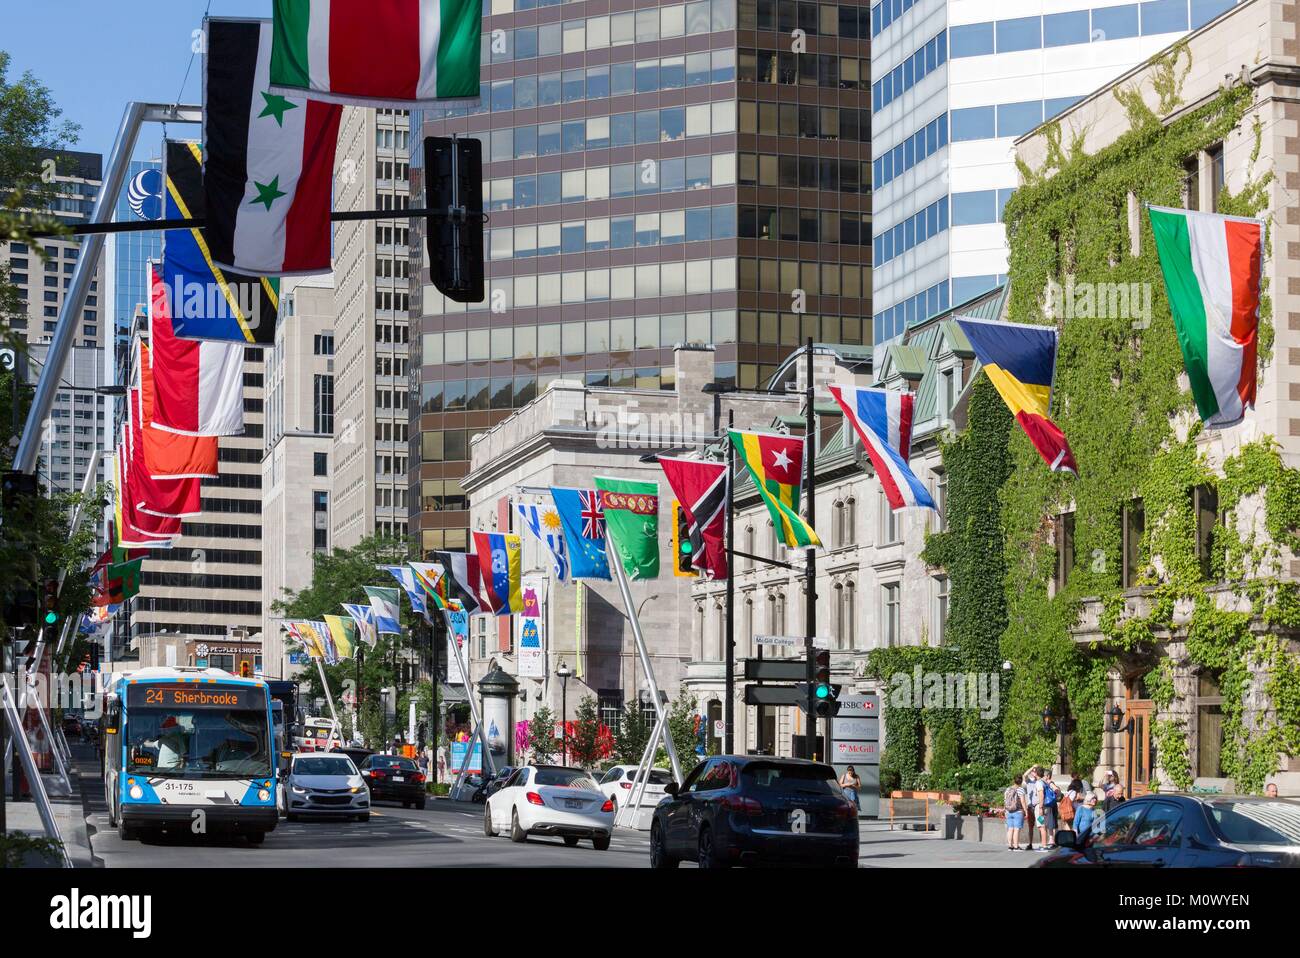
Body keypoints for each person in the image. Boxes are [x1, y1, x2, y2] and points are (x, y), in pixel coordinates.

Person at [1004, 774, 1027, 850]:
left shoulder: (1008, 789)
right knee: (1016, 829)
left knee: (1010, 829)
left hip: (1008, 811)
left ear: (1014, 780)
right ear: (1021, 781)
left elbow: (1005, 800)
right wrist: (1026, 811)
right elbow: (1023, 802)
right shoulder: (1021, 789)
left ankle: (1010, 846)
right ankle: (1016, 846)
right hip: (1018, 811)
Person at [1039, 768, 1060, 848]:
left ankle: (1051, 840)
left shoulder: (1049, 782)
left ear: (1047, 776)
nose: (1043, 777)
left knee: (1047, 823)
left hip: (1048, 805)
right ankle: (1053, 840)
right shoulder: (1045, 782)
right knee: (1052, 822)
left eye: (1044, 775)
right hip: (1052, 804)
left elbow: (1056, 789)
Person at [1022, 766, 1041, 850]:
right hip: (1030, 807)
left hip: (1038, 806)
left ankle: (1042, 843)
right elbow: (1024, 775)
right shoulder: (1028, 781)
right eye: (1033, 771)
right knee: (1030, 826)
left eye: (1035, 771)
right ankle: (1030, 843)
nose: (1034, 772)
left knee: (1041, 825)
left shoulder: (1040, 781)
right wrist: (1033, 767)